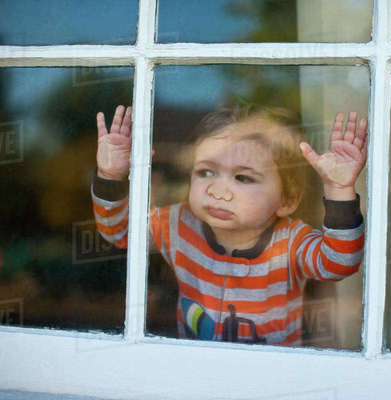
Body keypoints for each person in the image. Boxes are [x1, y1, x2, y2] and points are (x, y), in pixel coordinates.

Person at [91, 104, 368, 346]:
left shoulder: (292, 241)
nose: (218, 191)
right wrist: (110, 175)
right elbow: (121, 231)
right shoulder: (177, 223)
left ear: (287, 200)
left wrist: (339, 188)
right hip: (196, 371)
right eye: (206, 172)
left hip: (270, 381)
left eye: (243, 178)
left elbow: (340, 262)